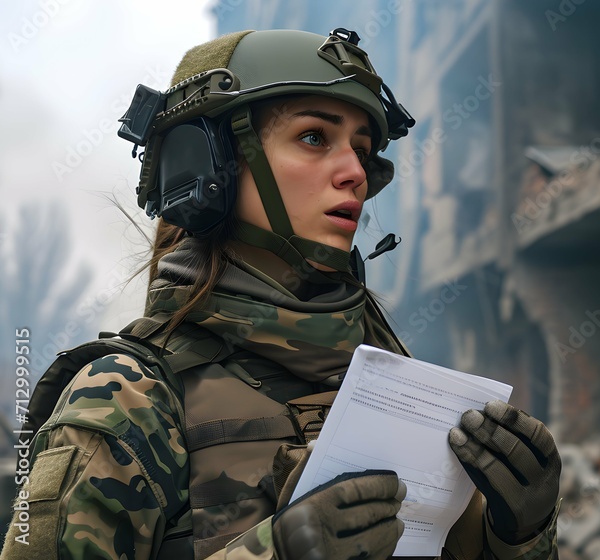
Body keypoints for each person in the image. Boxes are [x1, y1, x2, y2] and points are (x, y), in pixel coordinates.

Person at [2, 28, 560, 560]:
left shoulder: (394, 390)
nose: (355, 173)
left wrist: (518, 537)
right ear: (211, 162)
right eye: (314, 137)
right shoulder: (127, 400)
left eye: (362, 151)